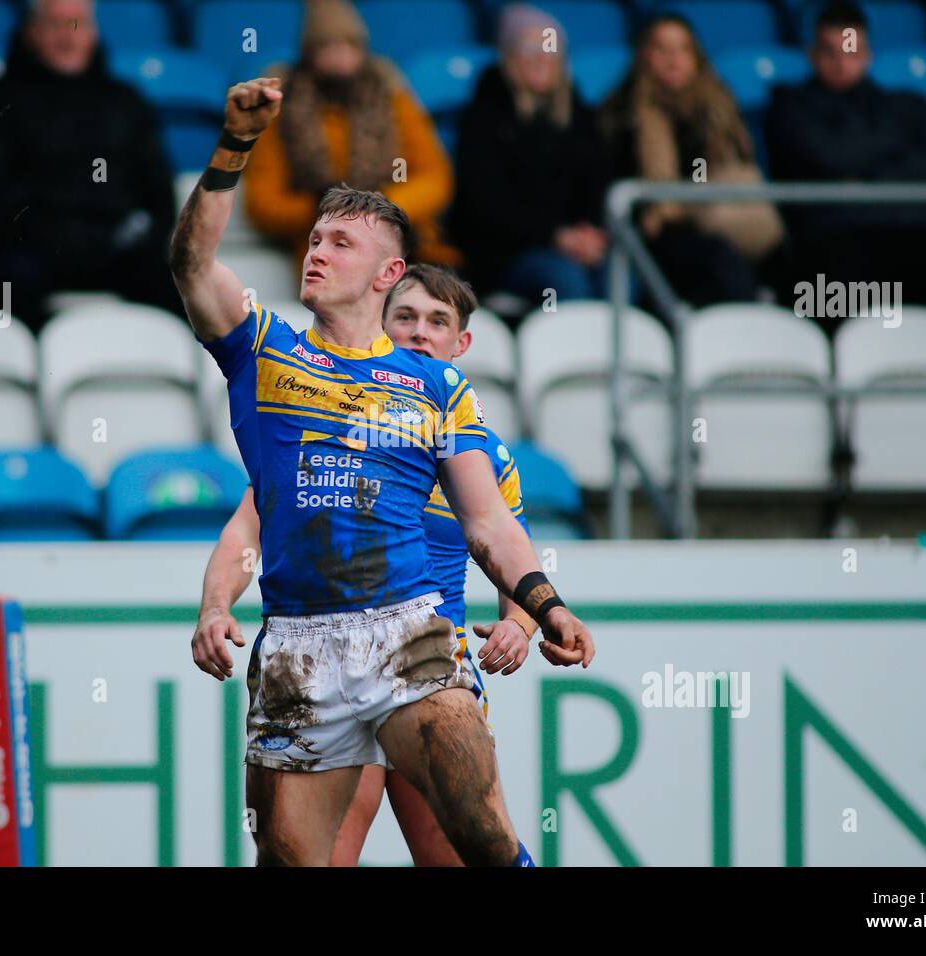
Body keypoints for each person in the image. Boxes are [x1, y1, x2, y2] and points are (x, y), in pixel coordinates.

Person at [171, 76, 595, 867]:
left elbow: (488, 521)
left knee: (478, 836)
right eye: (314, 238)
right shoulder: (262, 348)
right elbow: (191, 262)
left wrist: (544, 606)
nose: (316, 251)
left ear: (385, 272)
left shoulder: (435, 387)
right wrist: (234, 146)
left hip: (409, 630)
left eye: (340, 242)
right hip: (297, 642)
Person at [194, 264, 566, 866]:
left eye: (437, 321)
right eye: (405, 318)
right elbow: (247, 527)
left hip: (427, 670)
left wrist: (520, 626)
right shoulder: (326, 422)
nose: (420, 332)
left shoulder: (485, 456)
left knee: (464, 851)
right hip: (332, 662)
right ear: (381, 326)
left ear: (461, 343)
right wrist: (216, 605)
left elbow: (508, 550)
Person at [766, 0, 926, 336]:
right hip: (834, 240)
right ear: (811, 54)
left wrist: (859, 176)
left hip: (916, 237)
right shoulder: (789, 106)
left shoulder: (906, 105)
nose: (840, 62)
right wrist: (897, 149)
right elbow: (832, 156)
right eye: (829, 51)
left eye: (850, 51)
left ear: (867, 54)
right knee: (816, 295)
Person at [0, 0, 181, 332]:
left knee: (181, 295)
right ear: (31, 31)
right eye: (56, 25)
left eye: (79, 24)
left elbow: (160, 196)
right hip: (33, 251)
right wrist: (41, 236)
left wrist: (129, 239)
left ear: (94, 32)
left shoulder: (127, 102)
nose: (69, 37)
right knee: (10, 287)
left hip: (118, 250)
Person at [243, 0, 458, 274]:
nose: (340, 57)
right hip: (328, 256)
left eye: (350, 45)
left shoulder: (392, 95)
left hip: (407, 246)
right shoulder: (283, 107)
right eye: (328, 46)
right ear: (309, 53)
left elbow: (435, 177)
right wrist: (326, 211)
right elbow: (262, 203)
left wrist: (379, 208)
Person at [596, 13, 785, 308]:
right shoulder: (622, 116)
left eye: (683, 49)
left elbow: (727, 169)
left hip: (723, 220)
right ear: (643, 55)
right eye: (662, 49)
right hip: (657, 234)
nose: (674, 60)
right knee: (719, 261)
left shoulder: (717, 113)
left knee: (792, 261)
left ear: (696, 57)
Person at [448, 3, 610, 304]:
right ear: (508, 56)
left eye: (549, 47)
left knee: (624, 274)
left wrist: (591, 232)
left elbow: (598, 182)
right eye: (528, 47)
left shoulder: (580, 116)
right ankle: (575, 351)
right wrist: (556, 236)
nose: (540, 57)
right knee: (565, 279)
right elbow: (486, 205)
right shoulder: (484, 117)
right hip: (506, 253)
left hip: (575, 246)